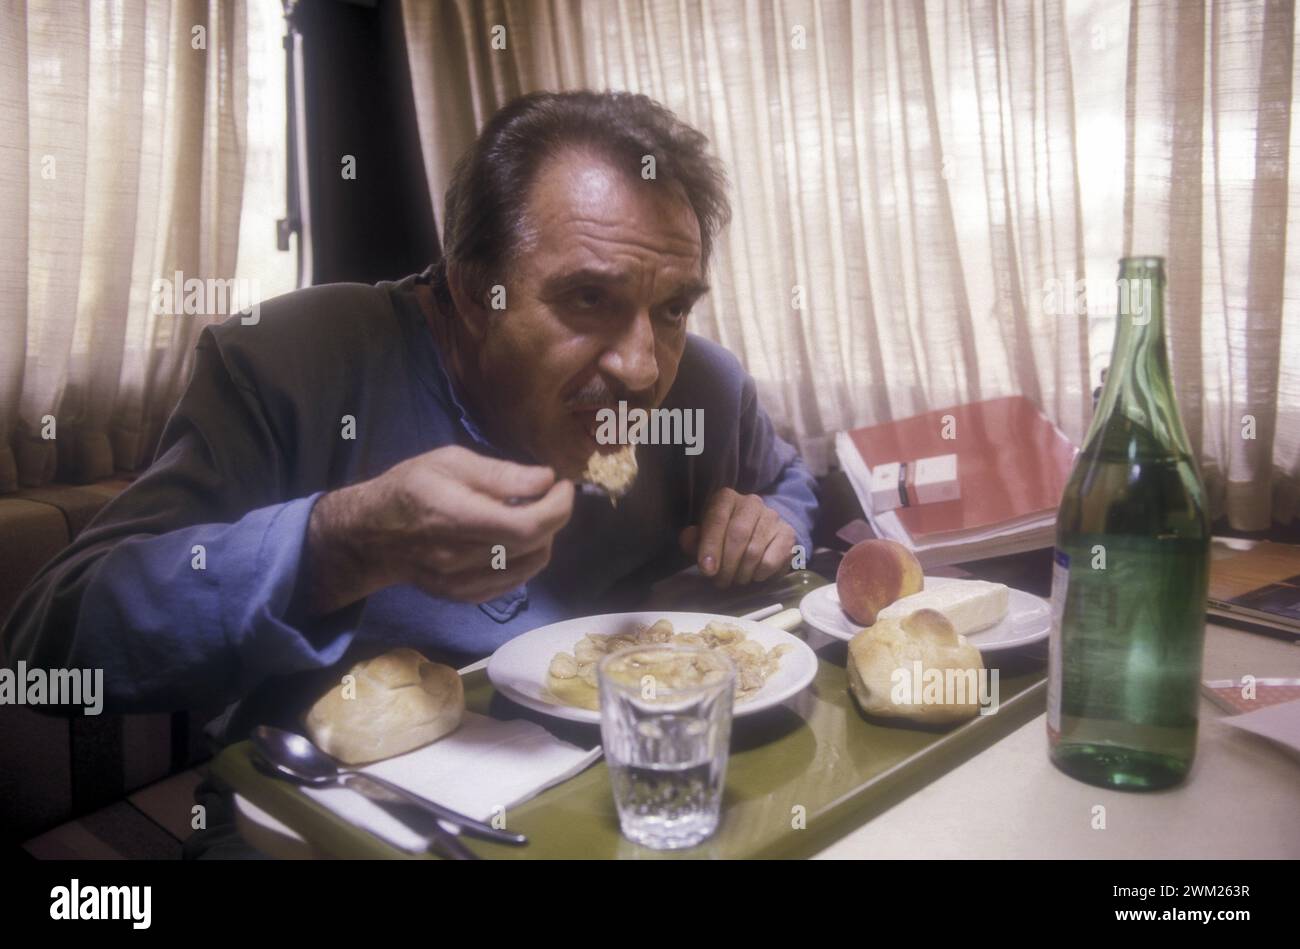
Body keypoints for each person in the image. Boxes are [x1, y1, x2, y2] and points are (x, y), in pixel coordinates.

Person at [3, 90, 819, 732]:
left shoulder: (703, 386)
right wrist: (338, 544)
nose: (643, 367)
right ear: (470, 289)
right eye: (587, 298)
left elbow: (787, 485)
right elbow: (43, 648)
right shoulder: (289, 365)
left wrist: (768, 519)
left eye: (674, 307)